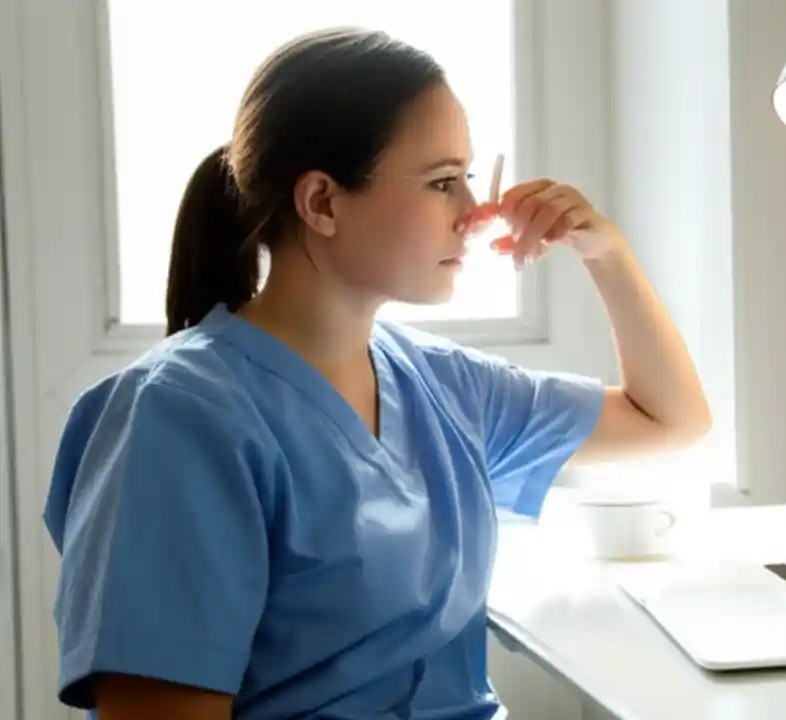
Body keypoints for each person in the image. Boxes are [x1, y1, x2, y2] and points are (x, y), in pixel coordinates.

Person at [42, 27, 709, 720]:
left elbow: (670, 420)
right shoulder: (178, 419)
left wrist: (605, 252)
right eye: (443, 182)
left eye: (470, 180)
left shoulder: (442, 386)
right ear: (322, 202)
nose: (475, 215)